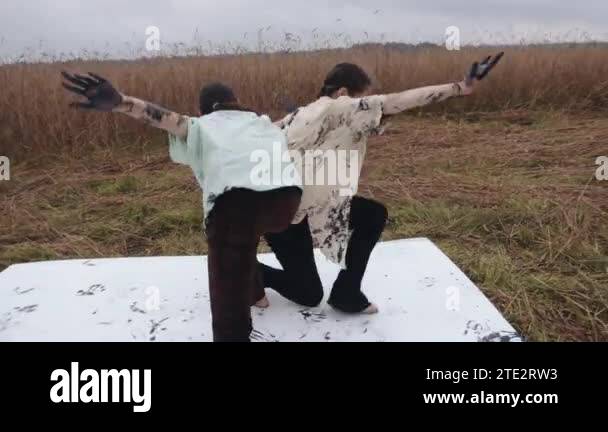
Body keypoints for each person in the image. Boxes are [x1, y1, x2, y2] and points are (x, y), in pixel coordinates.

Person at [61, 72, 302, 342]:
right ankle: (256, 295)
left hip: (235, 206)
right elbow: (299, 120)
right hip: (286, 203)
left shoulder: (201, 124)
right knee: (247, 238)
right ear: (235, 102)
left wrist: (121, 101)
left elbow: (162, 118)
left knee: (226, 287)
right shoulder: (263, 123)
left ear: (204, 109)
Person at [259, 53, 504, 314]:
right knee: (367, 223)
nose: (365, 106)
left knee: (308, 291)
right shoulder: (341, 107)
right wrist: (458, 88)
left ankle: (345, 292)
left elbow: (260, 135)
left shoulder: (299, 115)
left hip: (287, 211)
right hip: (286, 218)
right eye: (361, 99)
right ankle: (243, 270)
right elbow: (396, 102)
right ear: (342, 92)